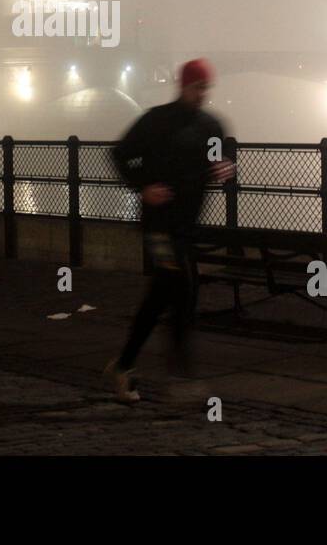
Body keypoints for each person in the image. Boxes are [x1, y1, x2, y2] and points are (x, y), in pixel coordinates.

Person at [103, 58, 234, 402]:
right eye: (197, 87)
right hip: (159, 225)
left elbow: (218, 160)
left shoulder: (211, 125)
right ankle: (180, 374)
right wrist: (142, 186)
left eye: (206, 88)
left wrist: (224, 169)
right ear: (183, 86)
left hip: (187, 226)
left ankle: (126, 365)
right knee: (183, 287)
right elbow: (119, 155)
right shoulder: (156, 121)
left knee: (164, 294)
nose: (202, 94)